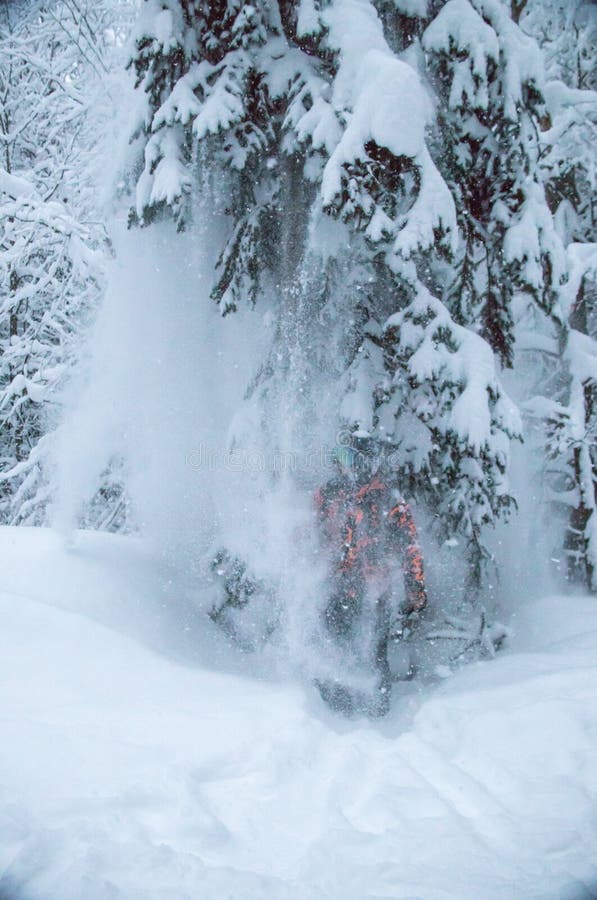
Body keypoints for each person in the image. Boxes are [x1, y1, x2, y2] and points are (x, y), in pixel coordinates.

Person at [314, 441, 427, 716]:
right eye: (339, 458)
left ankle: (378, 710)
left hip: (375, 588)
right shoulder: (333, 493)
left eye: (348, 459)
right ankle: (335, 708)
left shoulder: (387, 500)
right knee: (335, 642)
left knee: (374, 648)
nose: (341, 465)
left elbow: (409, 547)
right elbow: (316, 531)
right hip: (339, 585)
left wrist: (415, 588)